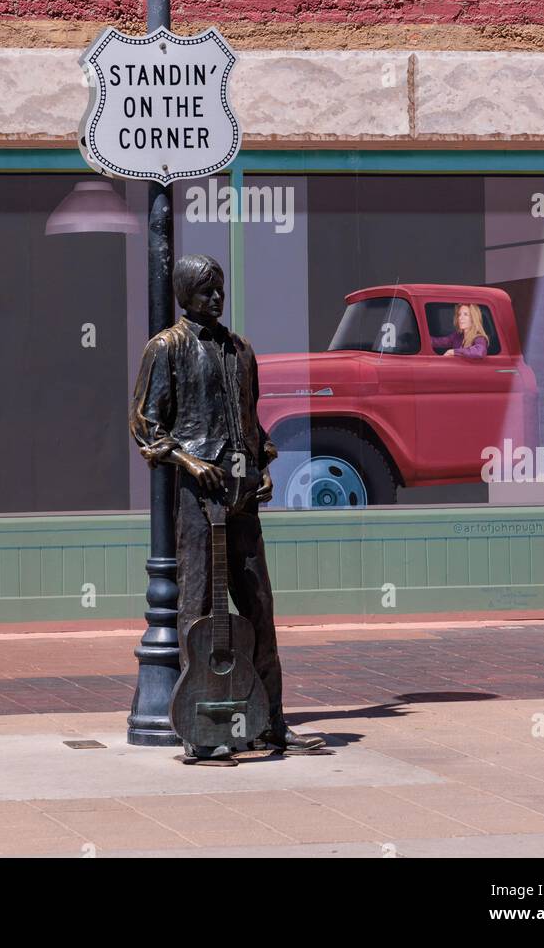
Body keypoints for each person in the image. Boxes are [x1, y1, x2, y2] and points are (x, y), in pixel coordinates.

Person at [129, 253, 325, 762]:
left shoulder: (240, 350)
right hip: (199, 501)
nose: (217, 299)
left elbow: (251, 420)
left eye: (220, 290)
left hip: (241, 498)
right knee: (198, 608)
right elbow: (147, 426)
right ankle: (200, 728)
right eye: (206, 291)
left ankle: (272, 723)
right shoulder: (166, 348)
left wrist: (262, 468)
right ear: (184, 294)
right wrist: (191, 465)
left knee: (260, 607)